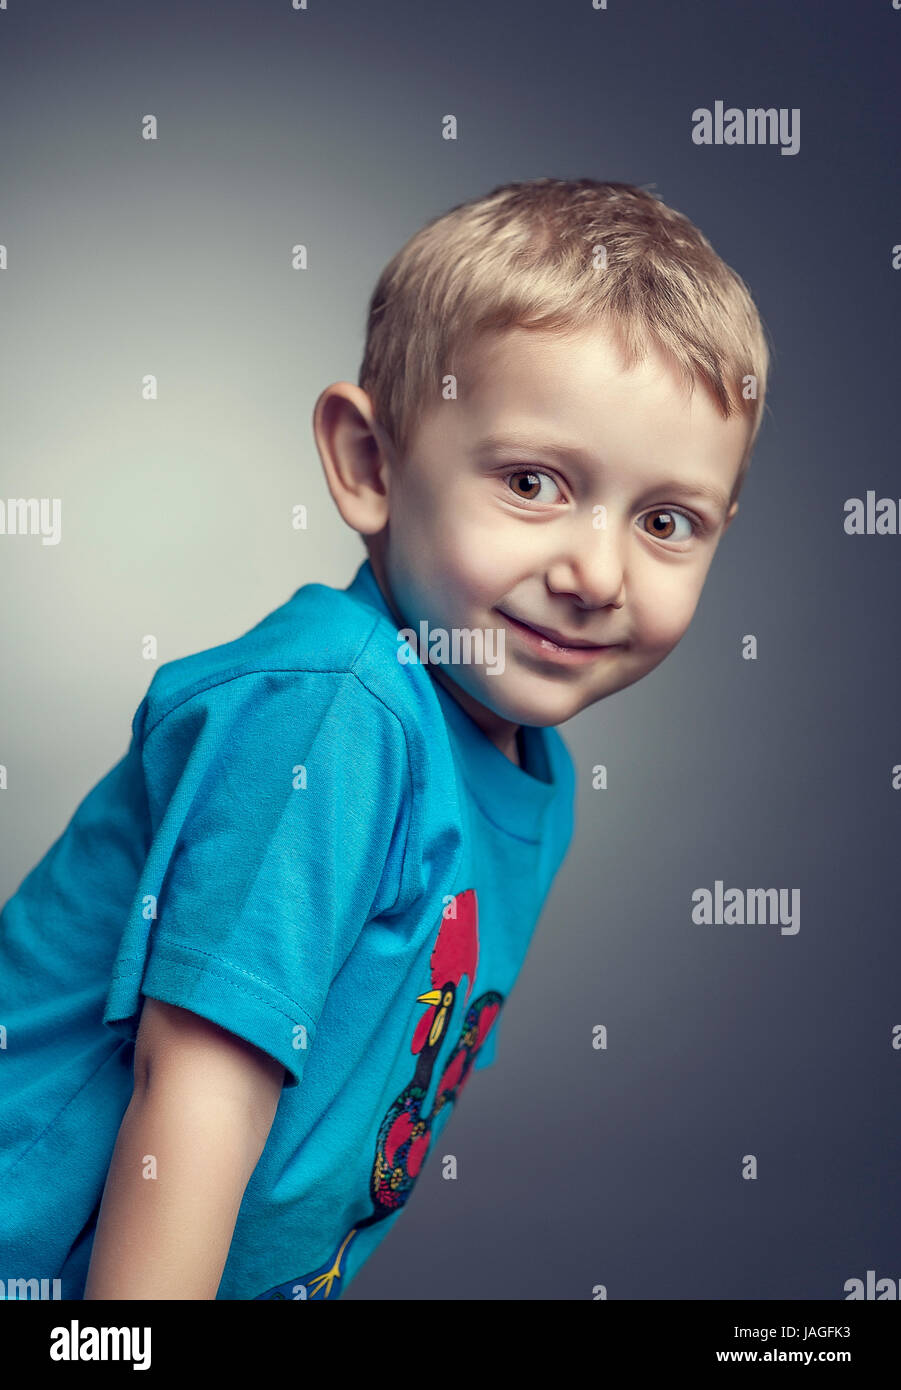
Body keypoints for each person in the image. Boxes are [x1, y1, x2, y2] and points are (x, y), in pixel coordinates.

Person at [0, 177, 769, 1300]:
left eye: (665, 521)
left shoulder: (524, 768)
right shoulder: (340, 713)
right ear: (369, 463)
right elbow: (197, 1090)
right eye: (531, 482)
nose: (597, 574)